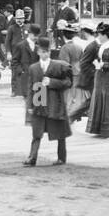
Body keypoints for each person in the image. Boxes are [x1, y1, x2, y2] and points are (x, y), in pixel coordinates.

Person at [23, 37, 72, 167]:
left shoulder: (59, 66)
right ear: (38, 52)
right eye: (42, 51)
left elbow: (68, 82)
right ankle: (32, 157)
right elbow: (30, 87)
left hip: (55, 103)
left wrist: (52, 82)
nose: (45, 54)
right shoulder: (33, 68)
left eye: (47, 51)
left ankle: (61, 157)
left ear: (50, 52)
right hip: (39, 101)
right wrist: (30, 105)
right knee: (36, 132)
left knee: (60, 132)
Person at [69, 21, 99, 121]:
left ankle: (72, 116)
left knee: (91, 99)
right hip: (93, 75)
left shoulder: (86, 43)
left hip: (89, 75)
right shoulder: (93, 43)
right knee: (92, 99)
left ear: (84, 32)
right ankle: (72, 116)